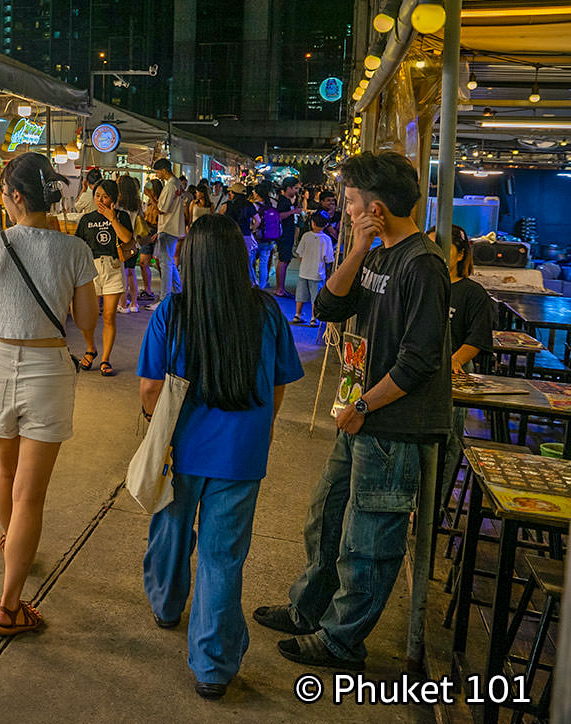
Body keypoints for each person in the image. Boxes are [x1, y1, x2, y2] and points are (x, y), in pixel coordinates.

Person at [255, 151, 451, 671]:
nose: (345, 210)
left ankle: (341, 640)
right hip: (359, 414)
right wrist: (358, 248)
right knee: (326, 518)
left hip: (392, 423)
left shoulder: (422, 264)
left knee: (368, 539)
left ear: (377, 208)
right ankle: (308, 608)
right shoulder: (378, 253)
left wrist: (364, 403)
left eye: (351, 203)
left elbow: (420, 361)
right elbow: (328, 308)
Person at [139, 214, 303, 699]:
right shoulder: (267, 311)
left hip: (180, 450)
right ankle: (211, 667)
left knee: (170, 529)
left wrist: (158, 424)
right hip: (241, 454)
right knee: (222, 558)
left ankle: (167, 606)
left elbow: (150, 389)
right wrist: (262, 431)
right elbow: (278, 385)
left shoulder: (172, 312)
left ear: (190, 261)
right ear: (239, 258)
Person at [0, 152, 96, 636]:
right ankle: (10, 605)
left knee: (5, 470)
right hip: (47, 370)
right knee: (31, 496)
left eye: (3, 193)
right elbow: (84, 323)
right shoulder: (74, 250)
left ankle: (10, 545)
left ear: (16, 197)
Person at [72, 178, 133, 376]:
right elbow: (78, 246)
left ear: (113, 198)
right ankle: (91, 348)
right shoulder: (86, 219)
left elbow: (126, 239)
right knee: (85, 316)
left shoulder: (121, 217)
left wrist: (112, 218)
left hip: (114, 267)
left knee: (109, 316)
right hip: (91, 269)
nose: (99, 200)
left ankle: (106, 358)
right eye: (97, 195)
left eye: (105, 196)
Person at [445, 224, 494, 371]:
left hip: (455, 366)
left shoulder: (473, 293)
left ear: (461, 255)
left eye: (444, 247)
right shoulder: (420, 285)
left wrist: (455, 361)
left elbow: (478, 338)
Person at [292, 213, 335, 325]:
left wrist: (303, 266)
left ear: (312, 223)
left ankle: (297, 315)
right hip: (317, 273)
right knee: (315, 297)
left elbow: (300, 254)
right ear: (326, 225)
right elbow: (328, 259)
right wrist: (328, 273)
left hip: (304, 271)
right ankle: (313, 318)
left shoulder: (306, 236)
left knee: (300, 295)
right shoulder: (327, 239)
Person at [153, 159, 186, 295]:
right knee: (170, 262)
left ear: (164, 170)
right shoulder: (178, 183)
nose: (156, 175)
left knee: (165, 264)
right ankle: (178, 290)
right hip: (174, 227)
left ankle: (164, 297)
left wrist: (151, 197)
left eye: (157, 172)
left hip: (167, 227)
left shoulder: (170, 185)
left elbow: (162, 209)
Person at [117, 175, 144, 313]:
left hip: (122, 244)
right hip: (135, 244)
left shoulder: (118, 205)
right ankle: (134, 304)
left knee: (122, 274)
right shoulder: (137, 204)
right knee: (131, 273)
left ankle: (123, 304)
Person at [274, 177, 303, 298]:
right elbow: (279, 215)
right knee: (284, 260)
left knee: (285, 260)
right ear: (289, 188)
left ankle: (280, 288)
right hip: (284, 235)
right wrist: (293, 212)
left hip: (287, 234)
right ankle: (280, 288)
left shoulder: (288, 201)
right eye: (295, 188)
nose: (297, 191)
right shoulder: (283, 201)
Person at [252, 181, 282, 291]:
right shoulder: (273, 204)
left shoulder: (254, 205)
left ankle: (253, 283)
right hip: (270, 239)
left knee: (251, 262)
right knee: (264, 264)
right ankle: (262, 286)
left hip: (257, 238)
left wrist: (253, 231)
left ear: (257, 193)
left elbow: (255, 221)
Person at [137, 179, 162, 302]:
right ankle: (148, 290)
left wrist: (158, 232)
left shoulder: (160, 202)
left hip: (158, 232)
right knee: (143, 262)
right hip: (148, 231)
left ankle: (165, 290)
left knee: (160, 264)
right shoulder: (148, 202)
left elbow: (162, 215)